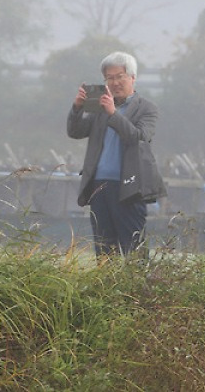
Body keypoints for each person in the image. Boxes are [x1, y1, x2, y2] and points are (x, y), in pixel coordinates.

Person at [67, 52, 166, 256]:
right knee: (104, 251)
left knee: (134, 251)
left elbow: (138, 137)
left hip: (129, 188)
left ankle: (135, 288)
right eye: (109, 78)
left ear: (132, 77)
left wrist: (113, 113)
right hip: (98, 187)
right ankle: (106, 288)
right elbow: (75, 132)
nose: (115, 82)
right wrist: (77, 108)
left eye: (120, 76)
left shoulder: (146, 108)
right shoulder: (99, 107)